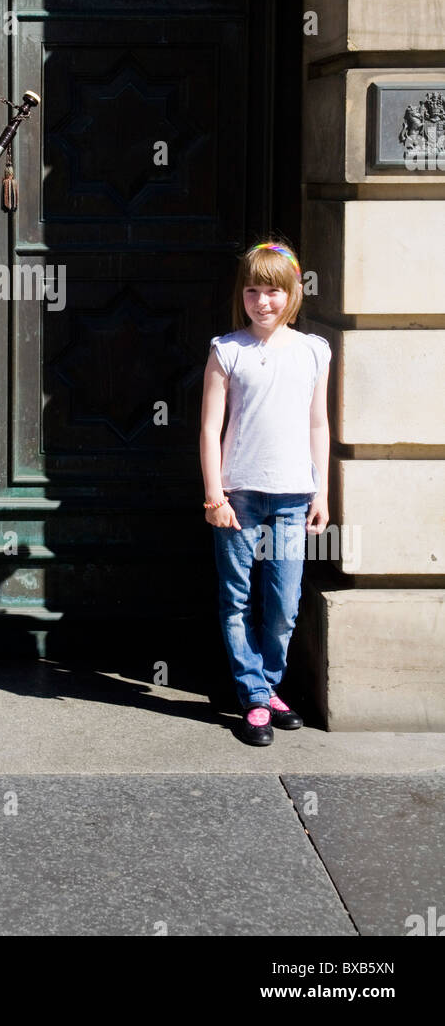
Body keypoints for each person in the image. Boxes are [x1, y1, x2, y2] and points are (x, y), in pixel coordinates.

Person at [199, 239, 330, 746]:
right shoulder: (226, 350)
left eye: (273, 291)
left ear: (293, 292)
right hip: (238, 495)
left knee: (283, 603)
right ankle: (255, 696)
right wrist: (215, 496)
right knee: (236, 598)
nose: (263, 302)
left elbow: (319, 424)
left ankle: (270, 683)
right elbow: (210, 430)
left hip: (294, 495)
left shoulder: (315, 351)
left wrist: (321, 492)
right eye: (253, 290)